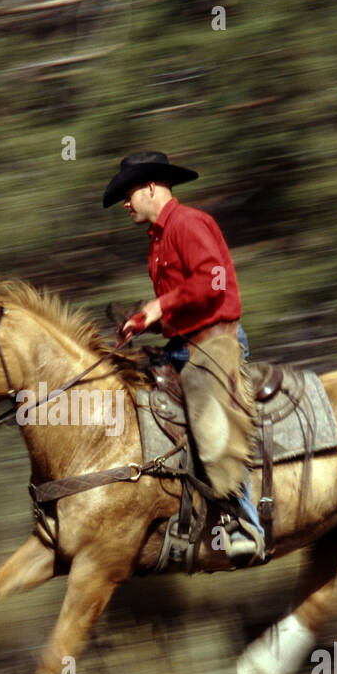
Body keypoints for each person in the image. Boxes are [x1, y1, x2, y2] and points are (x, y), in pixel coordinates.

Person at [103, 150, 266, 563]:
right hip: (183, 342)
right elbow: (182, 304)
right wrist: (144, 322)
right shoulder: (156, 244)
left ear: (152, 188)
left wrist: (159, 306)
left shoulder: (189, 224)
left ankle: (244, 523)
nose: (125, 202)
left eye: (129, 193)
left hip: (214, 341)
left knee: (208, 411)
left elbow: (213, 284)